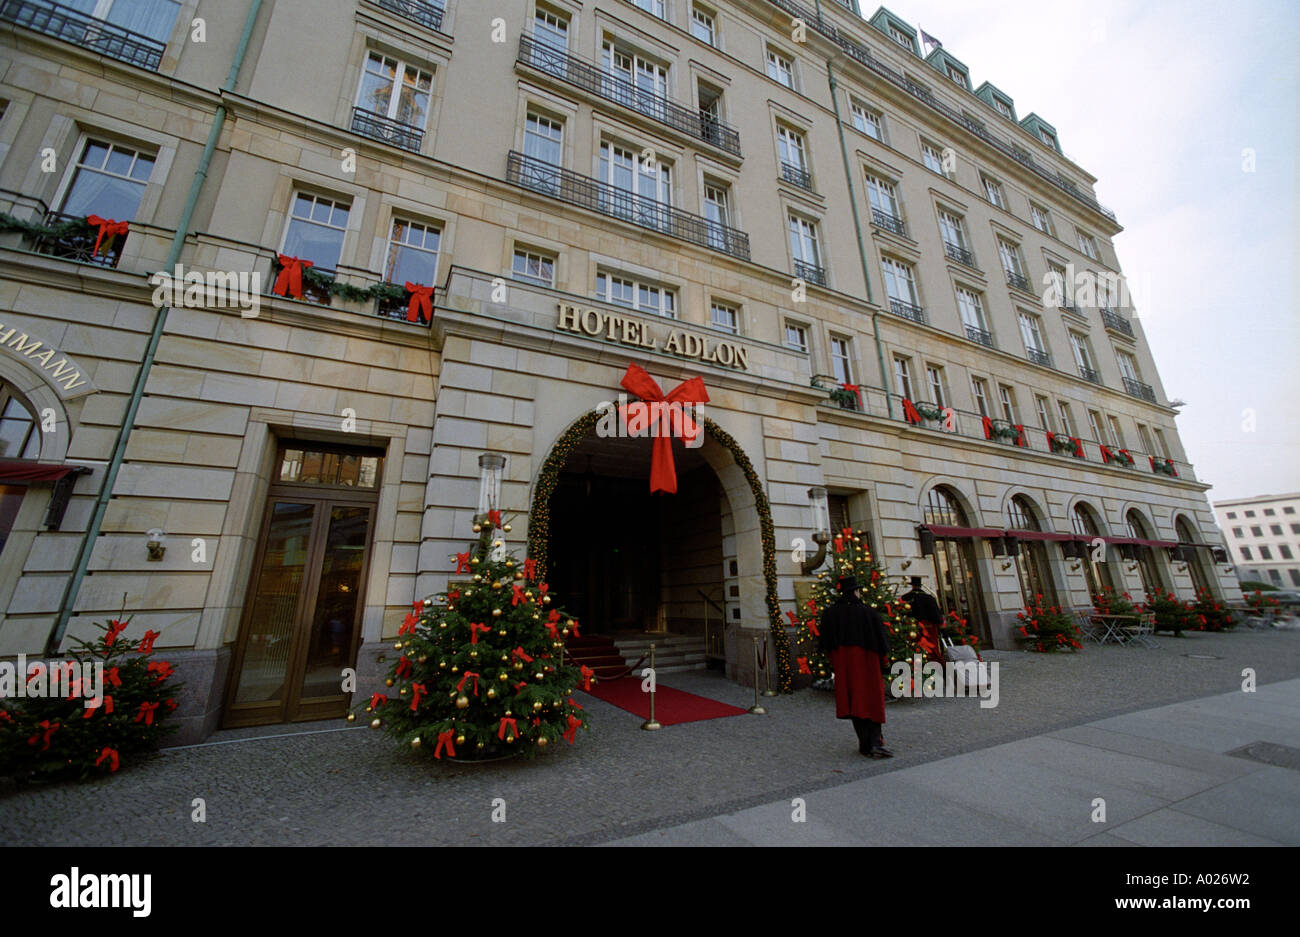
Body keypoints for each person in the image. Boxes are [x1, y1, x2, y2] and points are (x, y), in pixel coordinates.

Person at [818, 575, 893, 758]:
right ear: (856, 591)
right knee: (872, 700)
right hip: (867, 662)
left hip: (844, 665)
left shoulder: (830, 613)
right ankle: (876, 741)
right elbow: (881, 642)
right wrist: (885, 662)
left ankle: (864, 742)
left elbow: (825, 645)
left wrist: (835, 663)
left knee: (853, 701)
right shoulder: (868, 612)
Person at [902, 576, 943, 656]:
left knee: (916, 649)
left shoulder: (905, 597)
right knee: (932, 649)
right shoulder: (930, 598)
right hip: (929, 628)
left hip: (913, 628)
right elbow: (937, 616)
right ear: (920, 585)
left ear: (912, 585)